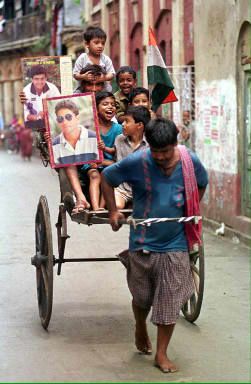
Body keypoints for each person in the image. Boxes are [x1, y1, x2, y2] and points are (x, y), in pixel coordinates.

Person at [101, 118, 208, 373]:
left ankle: (161, 354)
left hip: (175, 241)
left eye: (166, 151)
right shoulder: (136, 161)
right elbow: (107, 177)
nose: (160, 157)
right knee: (142, 297)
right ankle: (140, 326)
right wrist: (114, 212)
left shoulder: (189, 161)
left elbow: (201, 183)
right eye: (155, 151)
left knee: (169, 300)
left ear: (176, 143)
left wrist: (190, 204)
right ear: (148, 145)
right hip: (142, 241)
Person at [80, 91, 122, 210]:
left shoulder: (118, 129)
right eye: (105, 104)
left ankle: (102, 207)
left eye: (113, 105)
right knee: (95, 175)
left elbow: (118, 153)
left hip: (110, 164)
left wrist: (103, 162)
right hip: (91, 163)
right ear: (96, 108)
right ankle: (95, 207)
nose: (110, 107)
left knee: (107, 176)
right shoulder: (89, 127)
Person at [114, 106, 150, 209]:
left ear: (139, 125)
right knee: (117, 206)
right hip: (122, 188)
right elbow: (118, 163)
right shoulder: (119, 139)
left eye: (127, 121)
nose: (123, 124)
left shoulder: (150, 142)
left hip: (143, 188)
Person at [52, 99, 99, 165]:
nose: (64, 122)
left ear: (77, 118)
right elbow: (58, 168)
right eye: (60, 119)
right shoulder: (54, 144)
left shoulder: (95, 138)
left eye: (68, 117)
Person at [73, 26, 115, 92]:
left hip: (102, 90)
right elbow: (75, 74)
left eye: (103, 43)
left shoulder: (106, 59)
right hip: (84, 90)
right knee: (76, 95)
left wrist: (103, 78)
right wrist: (84, 77)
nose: (100, 46)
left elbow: (111, 74)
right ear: (87, 44)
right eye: (96, 43)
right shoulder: (82, 58)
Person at [22, 65, 61, 130]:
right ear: (32, 79)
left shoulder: (53, 89)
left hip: (51, 122)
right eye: (36, 79)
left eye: (42, 79)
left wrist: (48, 112)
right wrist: (37, 117)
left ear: (46, 78)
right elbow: (25, 113)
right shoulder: (25, 91)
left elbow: (59, 105)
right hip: (33, 124)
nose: (40, 82)